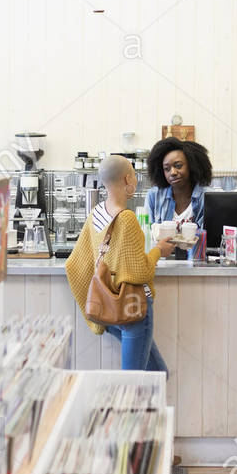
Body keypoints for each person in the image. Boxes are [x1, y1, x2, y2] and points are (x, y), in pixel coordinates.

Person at [65, 155, 175, 373]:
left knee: (158, 373)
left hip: (108, 306)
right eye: (134, 175)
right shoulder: (126, 218)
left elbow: (75, 264)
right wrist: (159, 250)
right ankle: (132, 408)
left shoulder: (95, 214)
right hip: (132, 307)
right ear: (128, 179)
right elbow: (140, 272)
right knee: (133, 381)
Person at [145, 136, 212, 234]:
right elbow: (146, 233)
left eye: (178, 166)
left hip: (196, 249)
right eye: (167, 169)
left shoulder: (207, 197)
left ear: (192, 166)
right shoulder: (154, 196)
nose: (173, 172)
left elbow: (210, 236)